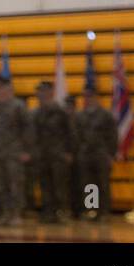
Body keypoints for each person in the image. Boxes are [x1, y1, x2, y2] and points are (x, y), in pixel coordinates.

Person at [0, 78, 32, 226]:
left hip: (14, 153)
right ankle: (6, 213)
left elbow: (28, 130)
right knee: (0, 185)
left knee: (15, 185)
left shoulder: (18, 106)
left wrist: (27, 150)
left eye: (1, 89)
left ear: (9, 90)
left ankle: (16, 214)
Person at [32, 80, 74, 223]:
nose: (40, 94)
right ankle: (48, 212)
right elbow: (32, 135)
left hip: (58, 155)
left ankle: (63, 213)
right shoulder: (36, 113)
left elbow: (71, 133)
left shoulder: (61, 111)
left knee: (60, 186)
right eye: (39, 91)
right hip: (42, 155)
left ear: (51, 92)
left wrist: (69, 152)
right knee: (45, 185)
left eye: (44, 91)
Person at [72, 86, 117, 219]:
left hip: (101, 154)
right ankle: (91, 210)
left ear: (96, 98)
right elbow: (76, 136)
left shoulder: (106, 115)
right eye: (85, 97)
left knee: (102, 184)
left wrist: (111, 154)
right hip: (85, 154)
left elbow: (113, 136)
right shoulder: (80, 115)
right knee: (89, 185)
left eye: (90, 96)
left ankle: (103, 211)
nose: (87, 99)